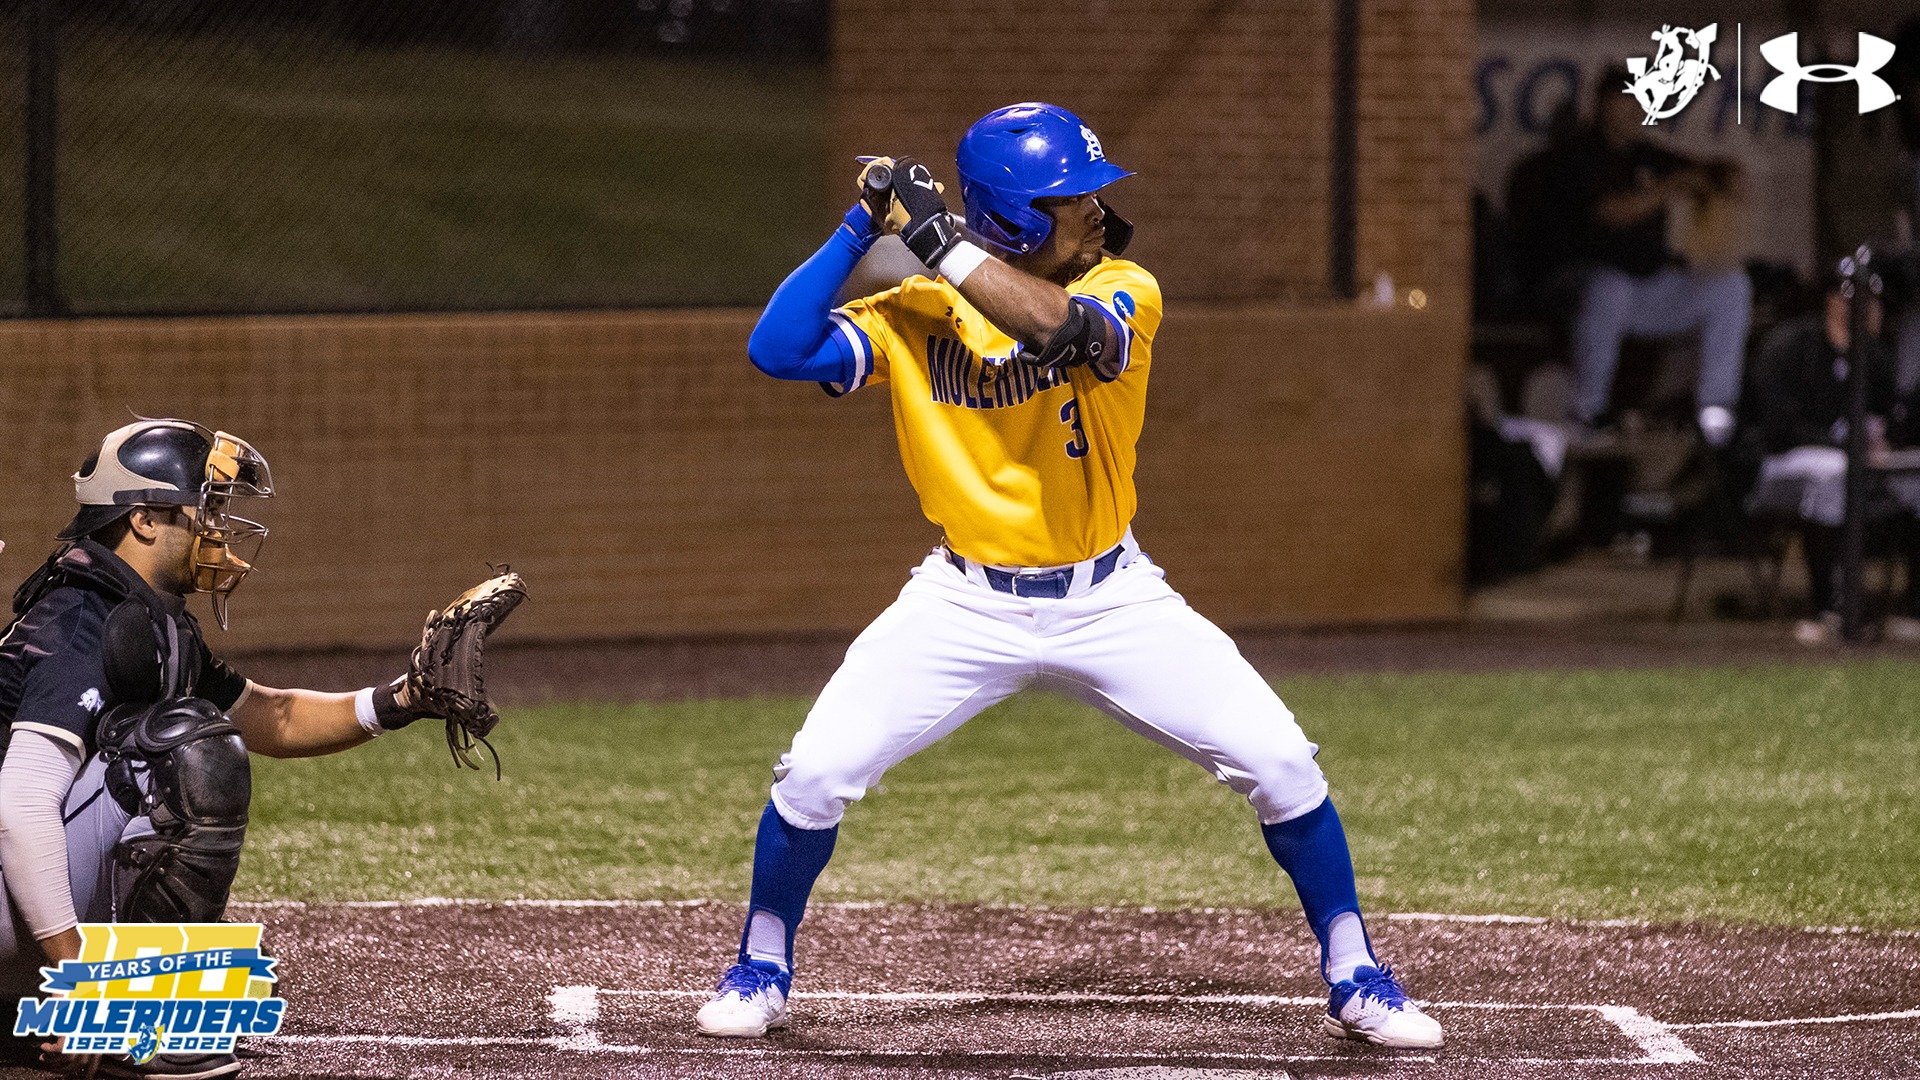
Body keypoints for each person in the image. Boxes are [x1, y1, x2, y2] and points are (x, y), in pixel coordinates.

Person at [689, 103, 1443, 1050]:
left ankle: (1356, 975)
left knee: (1284, 764)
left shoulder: (1127, 287)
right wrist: (861, 226)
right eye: (1068, 197)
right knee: (815, 774)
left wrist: (933, 236)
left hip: (1111, 598)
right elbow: (778, 349)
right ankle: (762, 966)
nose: (1094, 208)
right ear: (1010, 219)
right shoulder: (918, 314)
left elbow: (1062, 335)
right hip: (963, 600)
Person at [0, 419, 523, 1079]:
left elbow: (269, 717)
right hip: (14, 869)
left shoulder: (150, 620)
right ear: (143, 518)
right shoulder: (80, 618)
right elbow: (19, 801)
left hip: (18, 891)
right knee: (190, 750)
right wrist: (84, 989)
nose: (217, 530)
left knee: (234, 986)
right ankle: (121, 1024)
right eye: (204, 510)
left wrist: (404, 699)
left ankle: (26, 1007)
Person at [1559, 67, 1751, 446]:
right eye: (1625, 99)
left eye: (1640, 99)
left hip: (1644, 292)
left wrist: (1719, 177)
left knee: (1731, 286)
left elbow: (1721, 176)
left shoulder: (1645, 154)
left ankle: (1715, 410)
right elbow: (1610, 213)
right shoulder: (1579, 154)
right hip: (1578, 290)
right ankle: (1588, 409)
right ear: (1603, 104)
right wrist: (1670, 188)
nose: (1633, 109)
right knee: (1610, 285)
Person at [1745, 284, 1920, 644]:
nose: (1870, 310)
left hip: (1857, 467)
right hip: (1779, 468)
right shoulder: (1790, 347)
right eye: (1858, 301)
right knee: (1832, 472)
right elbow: (1779, 430)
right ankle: (1830, 609)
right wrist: (1852, 445)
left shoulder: (1874, 356)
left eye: (1874, 302)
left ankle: (1912, 608)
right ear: (1833, 302)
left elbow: (1897, 422)